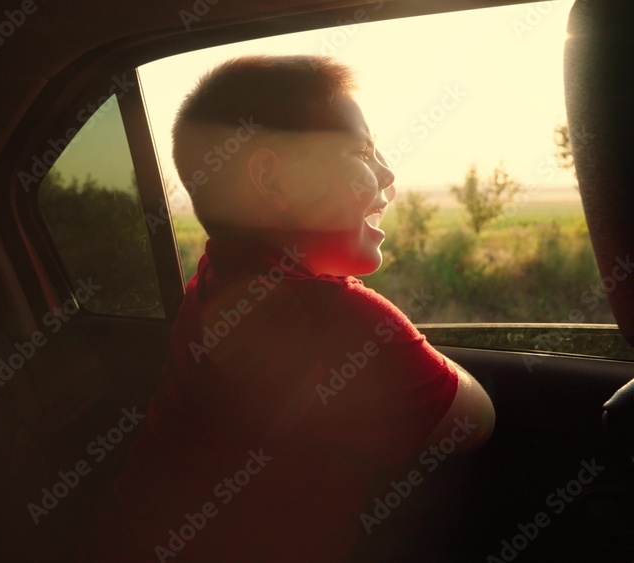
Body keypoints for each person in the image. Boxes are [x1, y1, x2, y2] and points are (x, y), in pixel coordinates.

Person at [78, 54, 495, 562]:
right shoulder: (342, 319)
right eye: (363, 152)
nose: (387, 174)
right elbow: (474, 423)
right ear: (273, 181)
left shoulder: (212, 281)